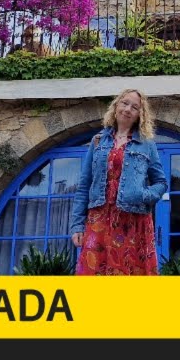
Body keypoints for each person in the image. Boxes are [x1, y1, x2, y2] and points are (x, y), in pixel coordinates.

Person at [70, 88, 168, 275]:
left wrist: (143, 194)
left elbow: (161, 182)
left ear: (140, 114)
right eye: (124, 103)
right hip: (99, 219)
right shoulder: (98, 141)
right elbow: (84, 185)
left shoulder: (147, 144)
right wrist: (77, 225)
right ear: (115, 107)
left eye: (135, 107)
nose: (128, 109)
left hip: (133, 220)